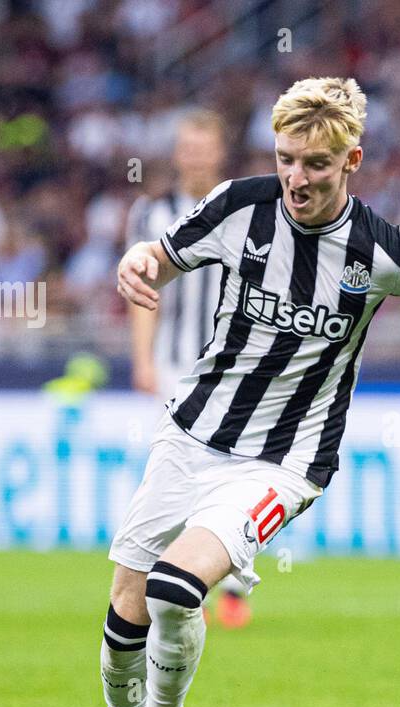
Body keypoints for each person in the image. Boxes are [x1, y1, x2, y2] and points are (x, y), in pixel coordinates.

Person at [90, 77, 400, 707]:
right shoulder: (239, 206)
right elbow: (157, 254)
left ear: (351, 160)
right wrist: (136, 260)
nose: (297, 177)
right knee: (124, 612)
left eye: (317, 163)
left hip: (282, 463)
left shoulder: (382, 248)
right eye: (288, 158)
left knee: (173, 589)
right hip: (189, 435)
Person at [124, 109, 252, 628]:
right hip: (176, 363)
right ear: (176, 153)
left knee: (235, 473)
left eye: (204, 146)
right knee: (174, 472)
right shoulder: (150, 212)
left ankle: (235, 583)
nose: (195, 155)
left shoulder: (245, 209)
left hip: (236, 365)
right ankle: (168, 581)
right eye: (187, 146)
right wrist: (142, 358)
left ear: (220, 151)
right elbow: (142, 289)